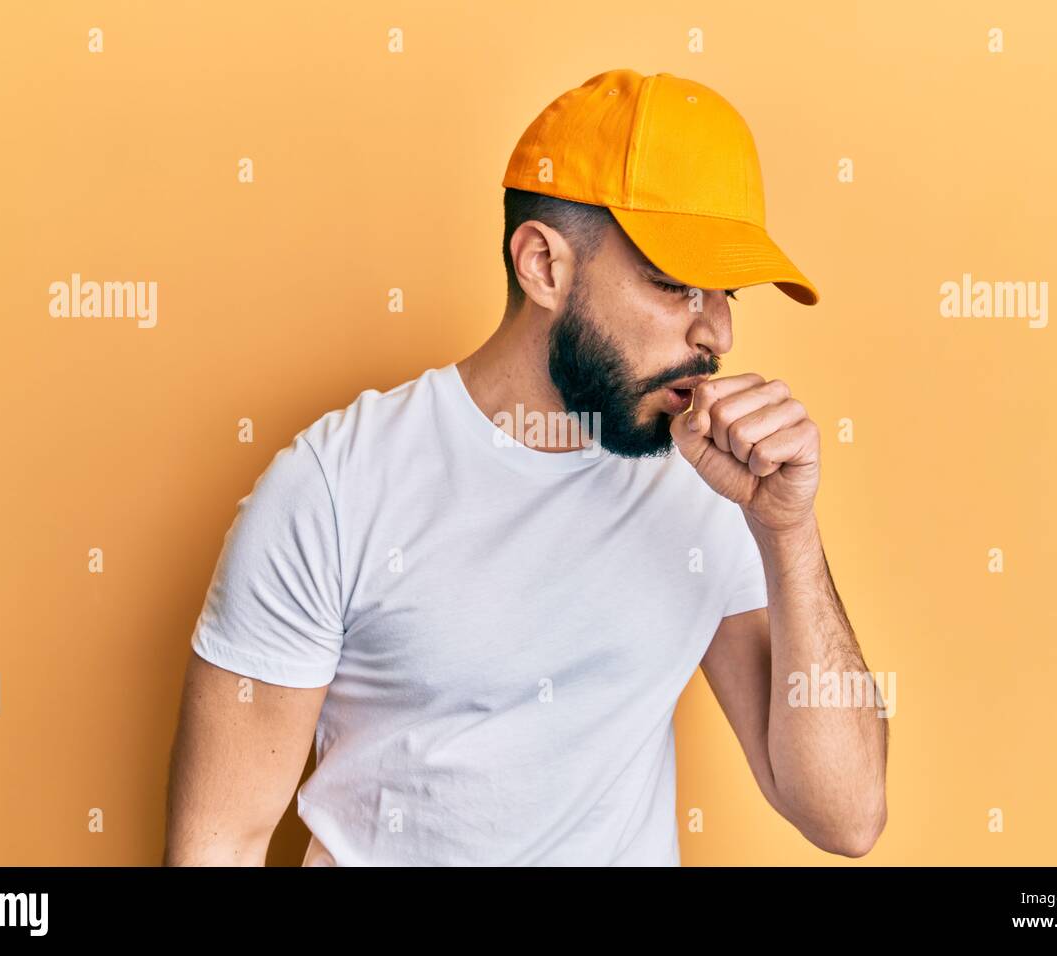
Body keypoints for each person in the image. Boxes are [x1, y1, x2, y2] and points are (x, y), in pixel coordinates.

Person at [164, 68, 887, 866]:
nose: (715, 332)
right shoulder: (337, 487)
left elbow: (846, 817)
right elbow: (219, 844)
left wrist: (787, 530)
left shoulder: (708, 483)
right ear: (543, 266)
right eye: (674, 283)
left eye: (727, 295)